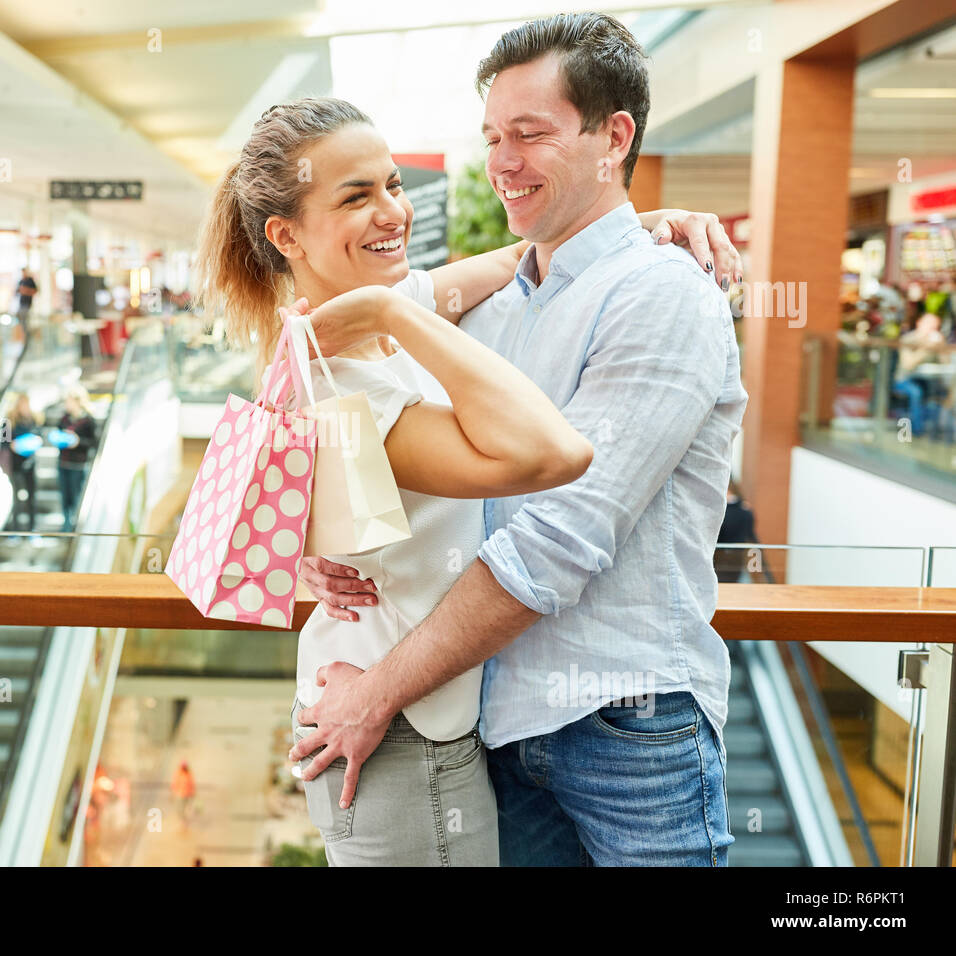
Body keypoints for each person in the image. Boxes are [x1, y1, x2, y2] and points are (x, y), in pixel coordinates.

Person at [198, 87, 738, 863]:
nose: (393, 211)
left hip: (432, 719)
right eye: (357, 196)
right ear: (286, 234)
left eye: (391, 184)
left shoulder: (380, 310)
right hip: (391, 735)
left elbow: (509, 261)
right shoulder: (352, 373)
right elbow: (549, 458)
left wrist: (639, 224)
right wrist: (393, 314)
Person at [893, 312, 946, 437]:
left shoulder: (936, 341)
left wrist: (942, 347)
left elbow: (945, 363)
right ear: (919, 323)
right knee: (916, 393)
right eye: (929, 324)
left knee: (941, 394)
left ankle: (937, 432)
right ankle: (917, 432)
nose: (931, 328)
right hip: (904, 380)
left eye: (935, 326)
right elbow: (908, 365)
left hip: (928, 381)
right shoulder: (908, 340)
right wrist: (925, 349)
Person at [54, 387, 98, 532]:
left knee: (75, 496)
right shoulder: (64, 419)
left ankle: (75, 524)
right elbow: (57, 435)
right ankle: (66, 523)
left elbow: (93, 442)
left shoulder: (88, 421)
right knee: (65, 495)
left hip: (78, 465)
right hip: (63, 463)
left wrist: (78, 441)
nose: (67, 404)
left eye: (69, 401)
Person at [0, 392, 42, 533]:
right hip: (14, 465)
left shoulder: (33, 419)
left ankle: (32, 529)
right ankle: (15, 530)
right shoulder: (8, 421)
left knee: (32, 497)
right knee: (16, 499)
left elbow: (39, 436)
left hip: (30, 463)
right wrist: (13, 445)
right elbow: (3, 444)